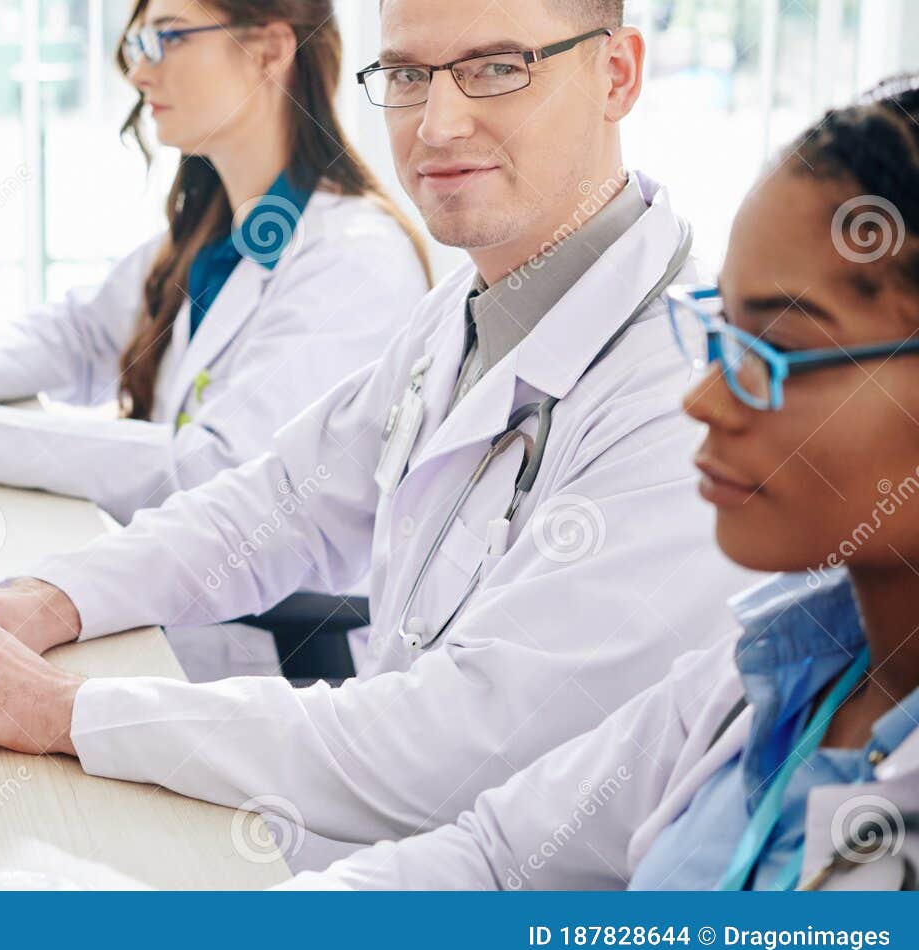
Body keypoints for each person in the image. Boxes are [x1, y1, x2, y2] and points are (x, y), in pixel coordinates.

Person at [0, 0, 753, 863]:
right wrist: (34, 602)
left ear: (616, 74)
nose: (436, 123)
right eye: (406, 73)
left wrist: (64, 710)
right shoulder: (467, 311)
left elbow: (452, 747)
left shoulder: (685, 398)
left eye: (494, 67)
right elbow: (273, 501)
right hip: (375, 845)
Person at [287, 78, 919, 890]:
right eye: (720, 330)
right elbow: (498, 854)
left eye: (775, 350)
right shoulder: (767, 668)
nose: (704, 398)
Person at [0, 0, 430, 527]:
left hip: (258, 618)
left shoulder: (355, 259)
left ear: (270, 50)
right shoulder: (223, 231)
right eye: (139, 46)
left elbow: (218, 469)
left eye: (168, 39)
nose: (139, 75)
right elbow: (83, 331)